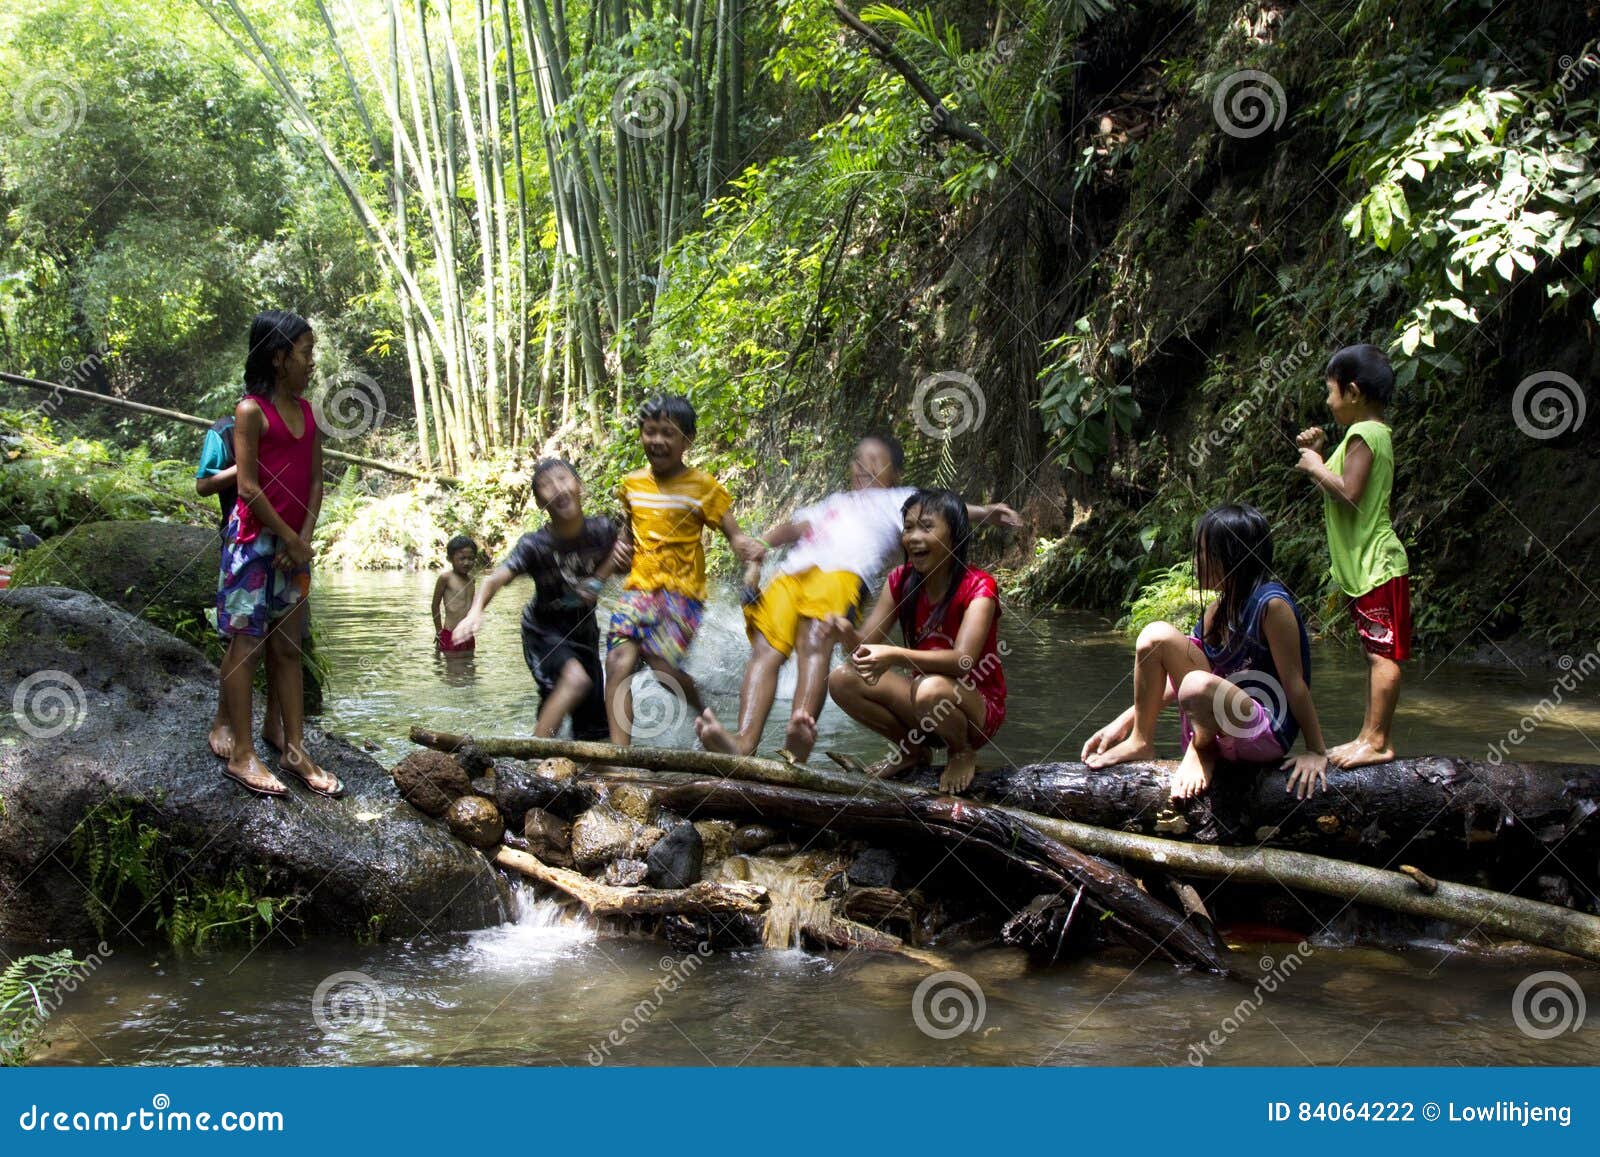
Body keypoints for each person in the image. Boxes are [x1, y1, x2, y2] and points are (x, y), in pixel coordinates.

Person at [695, 434, 1019, 763]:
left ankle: (801, 734)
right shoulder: (838, 506)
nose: (865, 467)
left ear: (895, 475)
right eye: (859, 460)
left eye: (876, 462)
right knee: (776, 654)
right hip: (795, 574)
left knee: (814, 644)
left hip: (843, 577)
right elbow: (793, 528)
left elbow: (949, 512)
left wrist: (987, 512)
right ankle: (744, 741)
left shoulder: (900, 501)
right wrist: (760, 546)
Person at [1080, 504, 1330, 801]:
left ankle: (1203, 750)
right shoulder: (1218, 610)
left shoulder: (1272, 606)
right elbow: (1178, 680)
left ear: (1233, 556)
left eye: (1203, 553)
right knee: (1154, 636)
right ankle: (1141, 741)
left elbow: (1295, 684)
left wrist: (1316, 750)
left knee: (1198, 684)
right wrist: (1124, 722)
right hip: (1216, 715)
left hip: (1262, 729)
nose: (1195, 562)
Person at [214, 309, 341, 798]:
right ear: (278, 355)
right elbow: (246, 487)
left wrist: (302, 538)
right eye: (306, 352)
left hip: (294, 546)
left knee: (288, 648)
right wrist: (287, 537)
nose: (311, 362)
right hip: (252, 544)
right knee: (246, 644)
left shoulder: (308, 413)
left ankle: (293, 747)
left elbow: (315, 481)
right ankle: (243, 755)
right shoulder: (250, 412)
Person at [826, 489, 1006, 794]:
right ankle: (911, 752)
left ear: (955, 535)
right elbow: (862, 650)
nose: (914, 537)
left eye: (926, 526)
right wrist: (844, 632)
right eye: (908, 528)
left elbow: (963, 661)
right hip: (922, 700)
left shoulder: (979, 587)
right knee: (842, 680)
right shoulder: (899, 581)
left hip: (976, 708)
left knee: (929, 689)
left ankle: (961, 751)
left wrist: (895, 655)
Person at [606, 394, 761, 745]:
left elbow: (734, 537)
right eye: (649, 432)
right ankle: (618, 759)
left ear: (687, 441)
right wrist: (619, 549)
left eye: (667, 433)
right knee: (618, 661)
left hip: (683, 596)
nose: (657, 441)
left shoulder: (703, 488)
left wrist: (749, 554)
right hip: (638, 591)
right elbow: (627, 536)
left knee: (662, 670)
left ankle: (704, 712)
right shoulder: (631, 485)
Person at [451, 460, 630, 739]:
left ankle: (570, 764)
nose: (558, 489)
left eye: (563, 479)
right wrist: (475, 612)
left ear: (579, 486)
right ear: (539, 502)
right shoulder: (534, 545)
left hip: (584, 634)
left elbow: (628, 565)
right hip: (543, 633)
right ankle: (534, 759)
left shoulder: (603, 531)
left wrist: (622, 562)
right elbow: (495, 579)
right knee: (575, 680)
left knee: (593, 732)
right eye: (547, 485)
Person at [1295, 343, 1411, 768]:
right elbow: (1341, 480)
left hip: (1377, 564)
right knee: (1375, 653)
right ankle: (1368, 736)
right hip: (1368, 565)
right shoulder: (1363, 435)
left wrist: (1313, 466)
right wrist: (1322, 452)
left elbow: (1348, 491)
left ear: (1354, 391)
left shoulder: (1366, 433)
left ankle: (1378, 741)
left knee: (1384, 655)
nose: (1328, 401)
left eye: (1331, 391)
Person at [198, 412, 281, 760]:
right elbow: (203, 485)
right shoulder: (225, 430)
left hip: (284, 540)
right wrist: (245, 467)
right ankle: (223, 720)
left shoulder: (286, 424)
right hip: (243, 541)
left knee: (285, 640)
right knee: (242, 637)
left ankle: (275, 723)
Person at [433, 535, 479, 652]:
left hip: (468, 635)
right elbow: (435, 605)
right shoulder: (445, 578)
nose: (467, 562)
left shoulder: (472, 580)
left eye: (471, 558)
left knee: (469, 667)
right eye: (462, 558)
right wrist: (439, 632)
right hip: (450, 634)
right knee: (452, 668)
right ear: (450, 558)